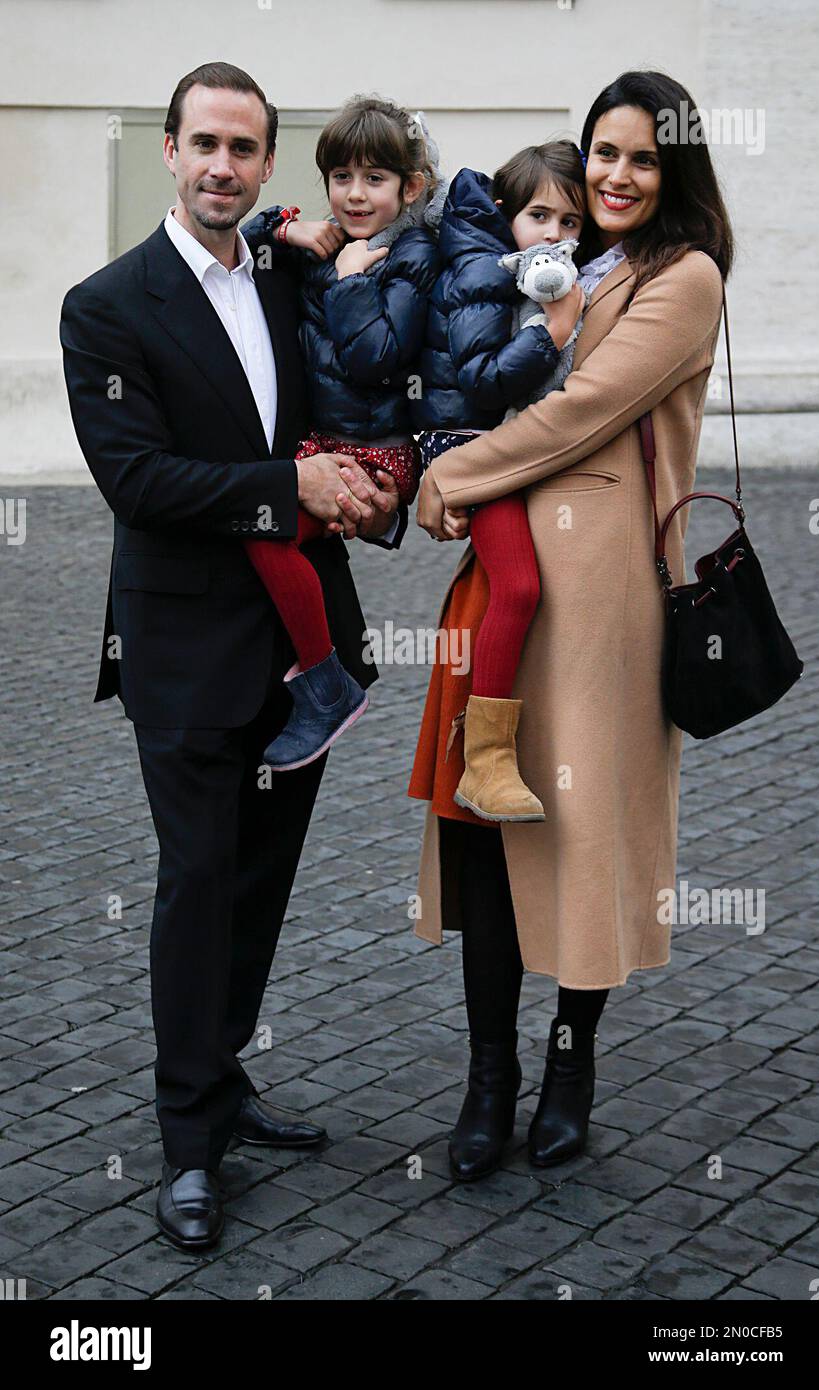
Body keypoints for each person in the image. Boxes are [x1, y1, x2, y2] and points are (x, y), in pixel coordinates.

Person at [60, 62, 406, 1251]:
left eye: (244, 147)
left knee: (259, 882)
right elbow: (138, 481)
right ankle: (186, 1142)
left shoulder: (287, 272)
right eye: (203, 142)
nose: (222, 165)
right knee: (198, 882)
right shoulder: (106, 305)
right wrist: (286, 488)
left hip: (298, 644)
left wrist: (374, 485)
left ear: (266, 162)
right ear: (168, 150)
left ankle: (225, 1076)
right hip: (187, 646)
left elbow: (350, 406)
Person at [409, 70, 734, 1182]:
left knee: (583, 833)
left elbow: (583, 408)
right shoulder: (551, 251)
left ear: (675, 168)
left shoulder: (682, 277)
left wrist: (451, 470)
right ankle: (486, 1077)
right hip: (503, 589)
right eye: (603, 152)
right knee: (488, 834)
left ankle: (568, 1065)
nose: (615, 175)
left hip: (602, 595)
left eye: (642, 157)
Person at [241, 96, 444, 771]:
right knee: (260, 526)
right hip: (326, 443)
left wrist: (353, 283)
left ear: (409, 187)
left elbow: (376, 358)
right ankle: (311, 676)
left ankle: (327, 685)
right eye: (341, 177)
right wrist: (281, 226)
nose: (354, 195)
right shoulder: (328, 238)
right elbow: (237, 242)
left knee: (266, 531)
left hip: (374, 449)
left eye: (375, 179)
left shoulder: (410, 255)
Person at [415, 142, 587, 821]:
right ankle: (484, 763)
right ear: (505, 215)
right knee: (517, 585)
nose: (553, 234)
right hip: (475, 450)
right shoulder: (490, 272)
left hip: (504, 450)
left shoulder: (538, 274)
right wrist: (556, 330)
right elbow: (485, 380)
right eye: (538, 215)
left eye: (570, 222)